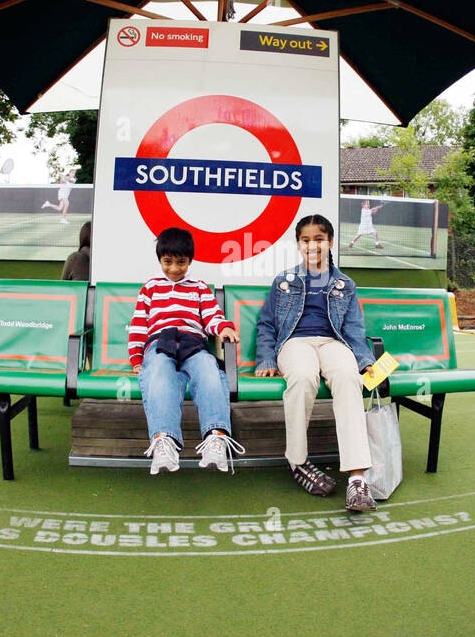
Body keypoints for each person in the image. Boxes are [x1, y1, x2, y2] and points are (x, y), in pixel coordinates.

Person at [254, 213, 382, 512]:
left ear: (331, 242)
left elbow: (353, 328)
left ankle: (357, 477)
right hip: (295, 343)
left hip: (332, 343)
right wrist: (266, 357)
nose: (313, 246)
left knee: (349, 377)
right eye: (306, 240)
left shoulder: (345, 285)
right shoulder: (284, 281)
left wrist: (365, 361)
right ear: (298, 245)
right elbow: (267, 324)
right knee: (302, 377)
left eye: (319, 240)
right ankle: (298, 461)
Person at [129, 227, 244, 475]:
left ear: (190, 261)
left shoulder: (200, 288)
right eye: (167, 262)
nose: (173, 268)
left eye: (181, 262)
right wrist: (137, 356)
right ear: (160, 260)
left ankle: (216, 436)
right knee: (158, 372)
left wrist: (223, 327)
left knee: (209, 370)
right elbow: (139, 324)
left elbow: (212, 316)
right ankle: (164, 440)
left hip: (192, 342)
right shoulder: (150, 287)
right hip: (160, 342)